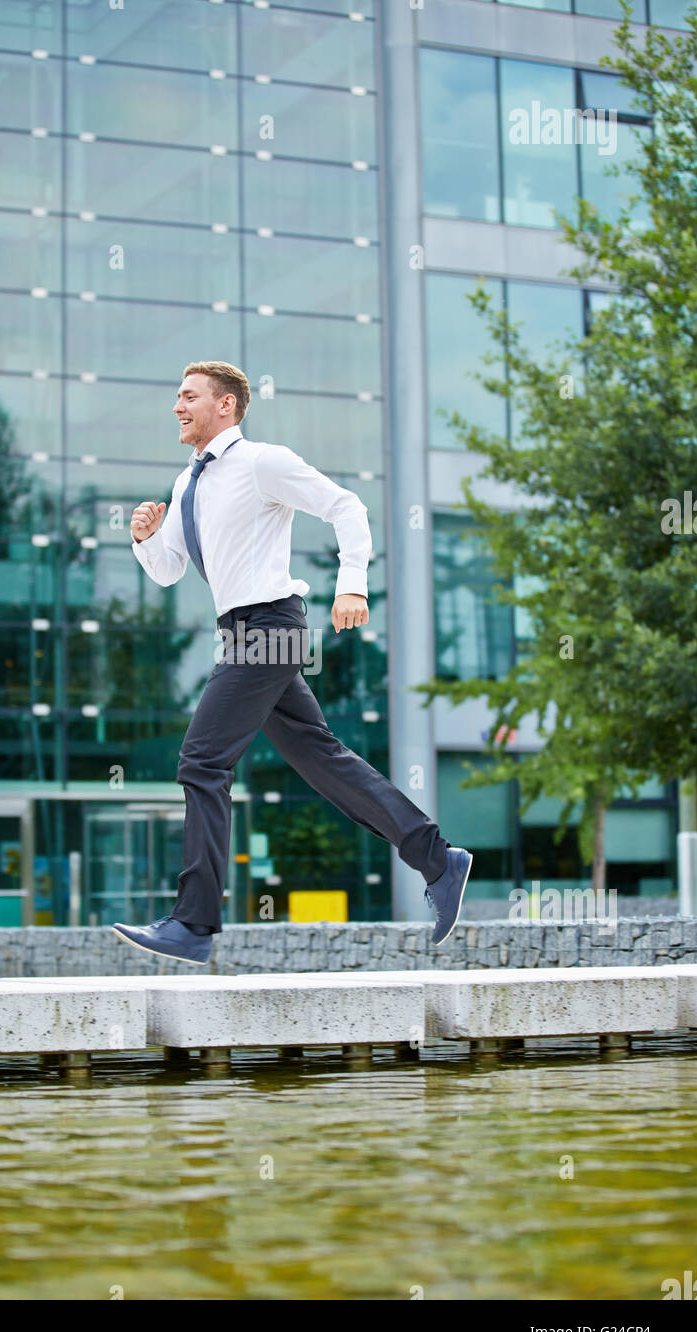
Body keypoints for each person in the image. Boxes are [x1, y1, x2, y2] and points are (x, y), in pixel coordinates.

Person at [111, 361, 472, 965]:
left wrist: (352, 584)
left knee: (202, 762)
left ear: (226, 405)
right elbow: (170, 570)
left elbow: (346, 506)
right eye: (177, 395)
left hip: (271, 625)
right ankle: (437, 858)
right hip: (245, 634)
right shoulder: (187, 483)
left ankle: (193, 924)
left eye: (189, 396)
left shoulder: (261, 462)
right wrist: (145, 537)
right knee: (322, 759)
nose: (178, 405)